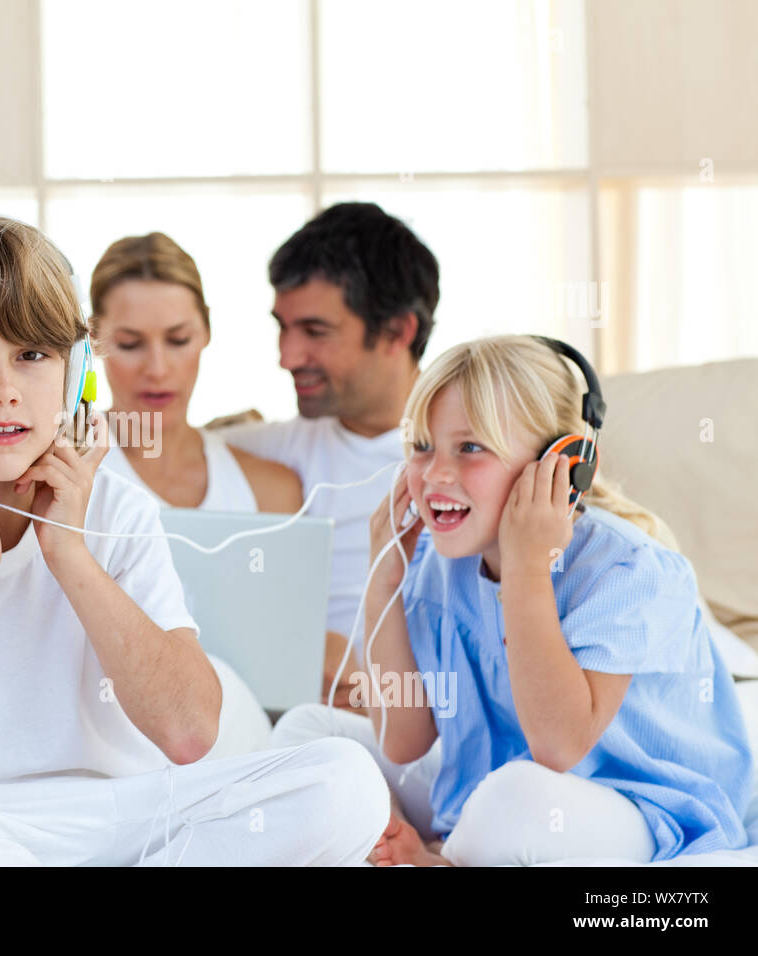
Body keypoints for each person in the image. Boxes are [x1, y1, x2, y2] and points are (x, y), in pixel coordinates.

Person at [0, 213, 390, 865]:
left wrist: (68, 547)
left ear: (77, 373)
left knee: (344, 781)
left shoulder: (115, 509)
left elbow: (188, 733)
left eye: (32, 355)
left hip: (129, 815)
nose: (4, 391)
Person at [271, 335, 755, 866]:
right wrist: (385, 581)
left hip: (642, 810)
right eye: (422, 446)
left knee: (516, 797)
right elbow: (402, 740)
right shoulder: (438, 565)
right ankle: (396, 843)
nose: (434, 474)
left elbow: (558, 746)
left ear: (565, 464)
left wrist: (527, 569)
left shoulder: (628, 571)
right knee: (306, 732)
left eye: (471, 448)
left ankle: (436, 857)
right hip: (488, 783)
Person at [216, 202, 440, 706]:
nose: (287, 356)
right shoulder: (265, 451)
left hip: (428, 721)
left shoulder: (480, 459)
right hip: (304, 720)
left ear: (397, 331)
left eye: (315, 332)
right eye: (283, 326)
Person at [90, 232, 301, 513]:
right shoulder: (52, 480)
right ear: (92, 338)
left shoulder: (269, 491)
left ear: (207, 329)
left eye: (179, 340)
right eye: (130, 344)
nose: (158, 369)